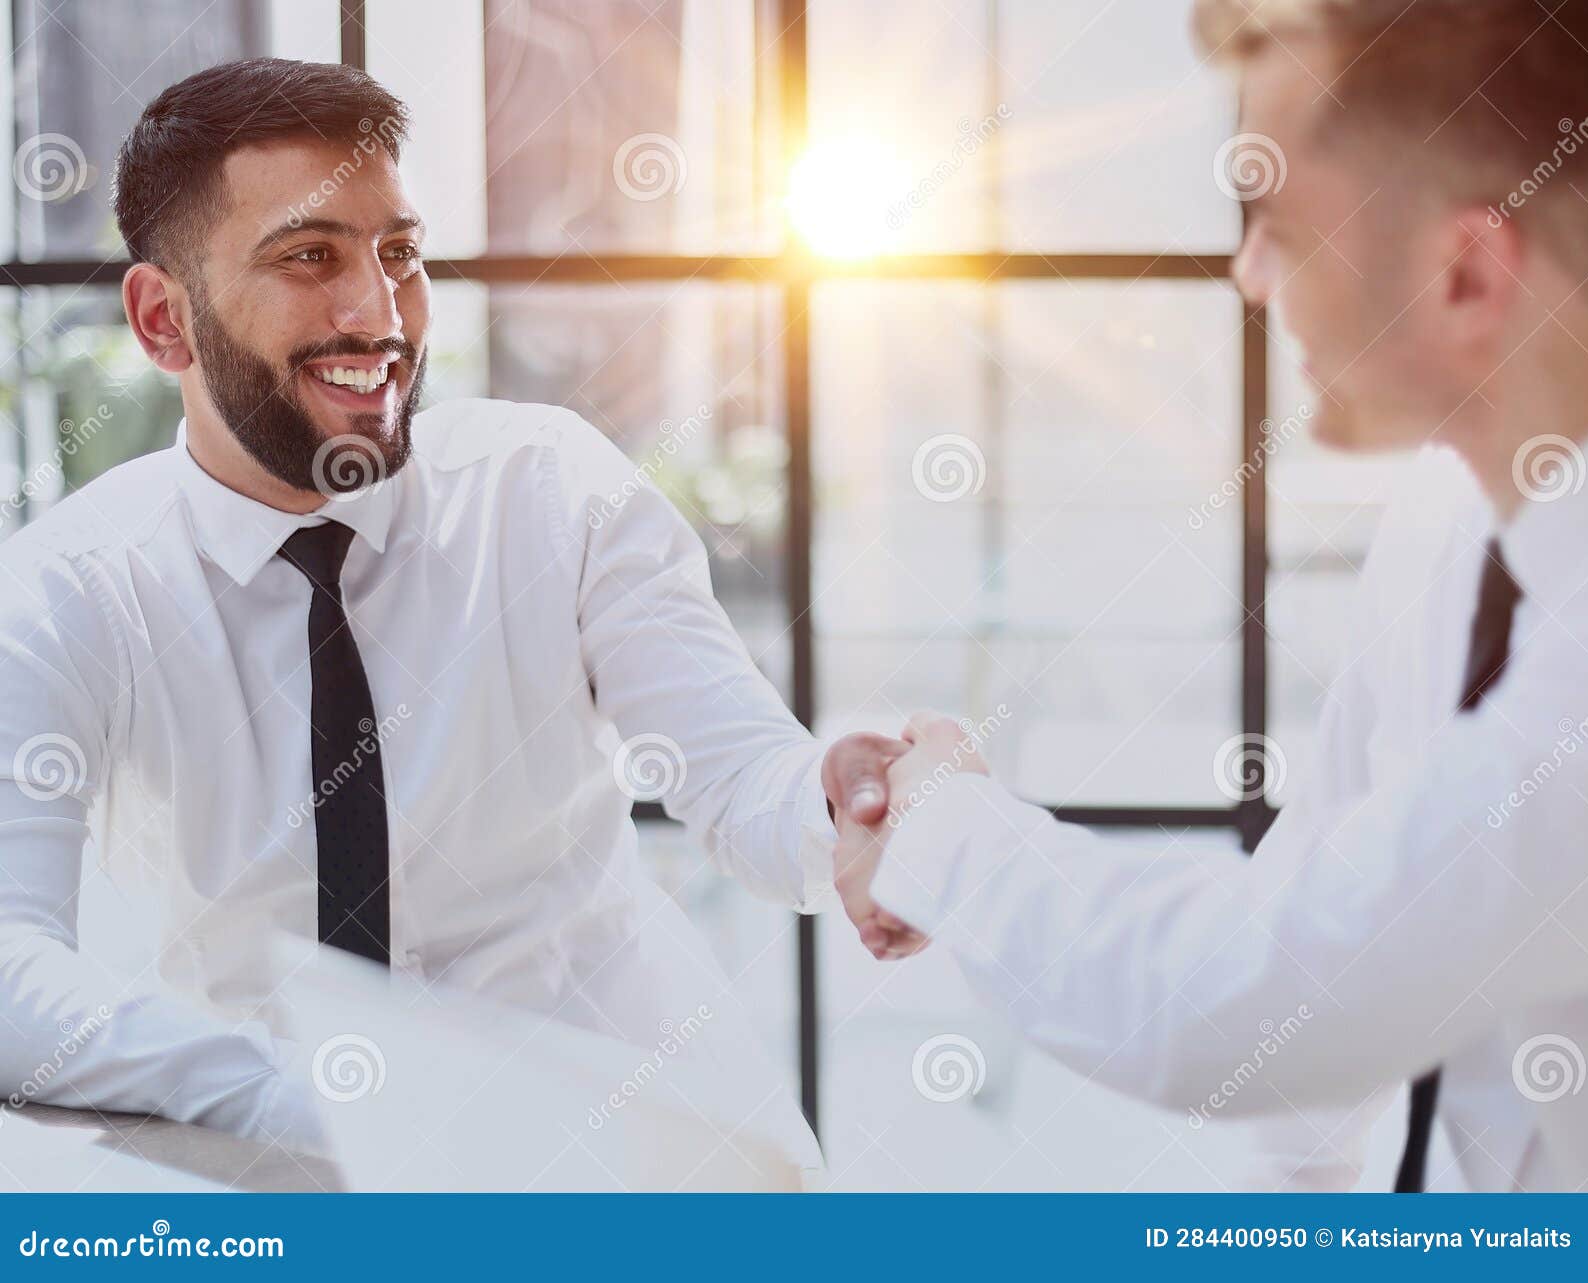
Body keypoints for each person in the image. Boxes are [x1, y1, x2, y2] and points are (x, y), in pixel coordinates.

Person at [0, 57, 914, 1149]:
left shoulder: (549, 491)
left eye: (399, 255)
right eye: (308, 257)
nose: (377, 313)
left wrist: (843, 810)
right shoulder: (67, 588)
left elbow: (740, 780)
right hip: (276, 1155)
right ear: (163, 321)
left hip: (623, 1129)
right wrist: (309, 1096)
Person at [837, 0, 1588, 1192]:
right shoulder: (1443, 523)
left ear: (1462, 273)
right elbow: (1329, 890)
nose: (1248, 278)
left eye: (1278, 228)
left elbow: (1236, 991)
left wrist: (936, 820)